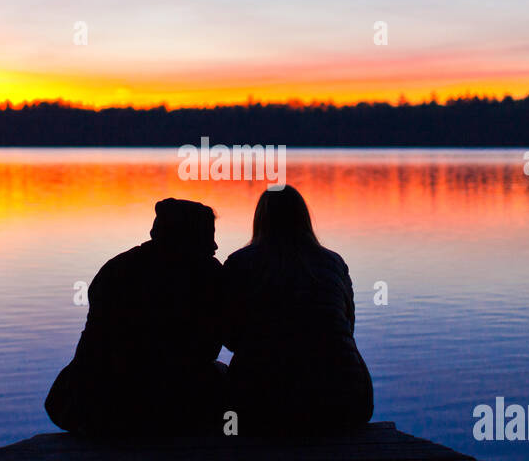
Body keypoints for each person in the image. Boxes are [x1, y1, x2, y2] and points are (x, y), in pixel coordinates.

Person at [44, 198, 225, 441]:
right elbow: (208, 348)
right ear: (188, 239)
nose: (214, 247)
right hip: (159, 399)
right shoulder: (207, 275)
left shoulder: (116, 268)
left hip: (95, 402)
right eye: (207, 238)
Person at [221, 185, 373, 436]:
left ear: (260, 220)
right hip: (348, 401)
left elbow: (230, 336)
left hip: (262, 405)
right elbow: (348, 327)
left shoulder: (240, 263)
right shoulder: (333, 263)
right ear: (304, 219)